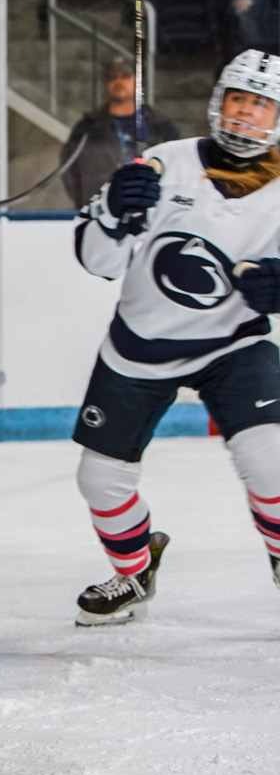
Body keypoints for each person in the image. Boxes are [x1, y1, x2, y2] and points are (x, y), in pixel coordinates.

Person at [66, 50, 280, 625]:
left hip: (233, 343)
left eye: (262, 104)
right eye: (238, 98)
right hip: (141, 342)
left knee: (273, 462)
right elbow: (99, 261)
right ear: (218, 101)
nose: (245, 113)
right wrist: (112, 212)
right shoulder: (163, 162)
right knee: (99, 479)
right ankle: (135, 570)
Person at [59, 57, 184, 207]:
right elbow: (71, 173)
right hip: (104, 211)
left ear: (138, 81)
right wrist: (95, 204)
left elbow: (177, 168)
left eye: (125, 76)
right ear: (105, 83)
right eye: (112, 77)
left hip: (151, 212)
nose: (118, 82)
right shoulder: (87, 127)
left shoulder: (161, 126)